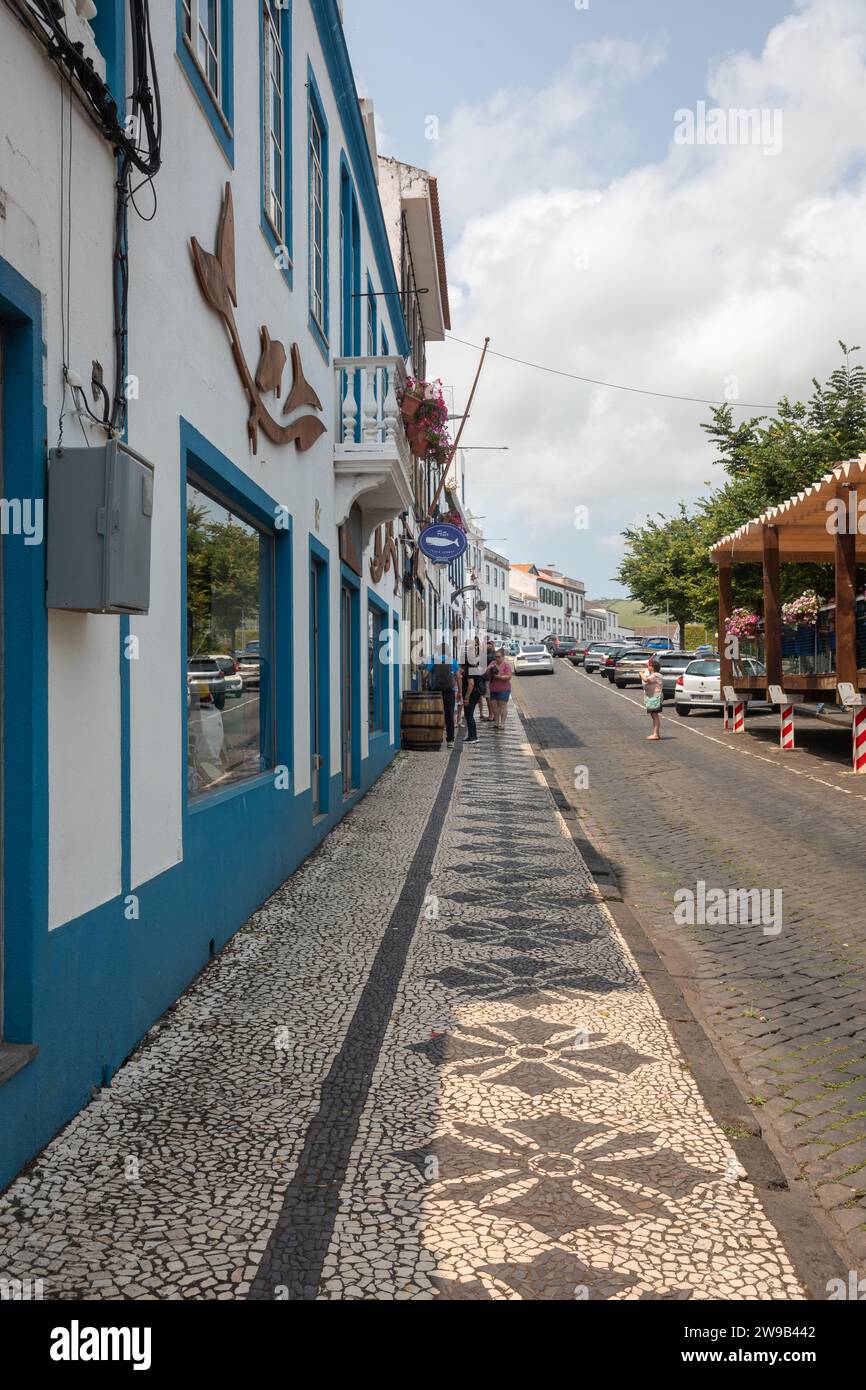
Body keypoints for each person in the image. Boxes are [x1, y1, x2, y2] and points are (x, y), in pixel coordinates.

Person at [427, 643, 459, 746]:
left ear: (438, 651)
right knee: (449, 715)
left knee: (435, 714)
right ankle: (450, 740)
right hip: (449, 691)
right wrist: (460, 692)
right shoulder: (453, 661)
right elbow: (458, 677)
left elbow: (425, 675)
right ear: (448, 651)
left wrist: (425, 684)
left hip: (436, 692)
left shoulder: (434, 661)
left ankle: (435, 738)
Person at [487, 647, 514, 731]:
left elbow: (509, 676)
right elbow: (487, 674)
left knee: (502, 705)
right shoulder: (492, 663)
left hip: (504, 688)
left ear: (503, 657)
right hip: (493, 688)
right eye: (496, 656)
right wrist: (489, 669)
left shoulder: (506, 665)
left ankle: (502, 723)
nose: (497, 658)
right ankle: (496, 722)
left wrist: (500, 677)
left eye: (499, 657)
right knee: (494, 706)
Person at [641, 655, 664, 740]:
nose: (648, 667)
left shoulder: (656, 675)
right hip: (653, 698)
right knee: (653, 715)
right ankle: (655, 733)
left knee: (655, 716)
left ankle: (656, 734)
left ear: (653, 667)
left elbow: (646, 680)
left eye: (650, 666)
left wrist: (641, 674)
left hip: (655, 698)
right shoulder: (654, 675)